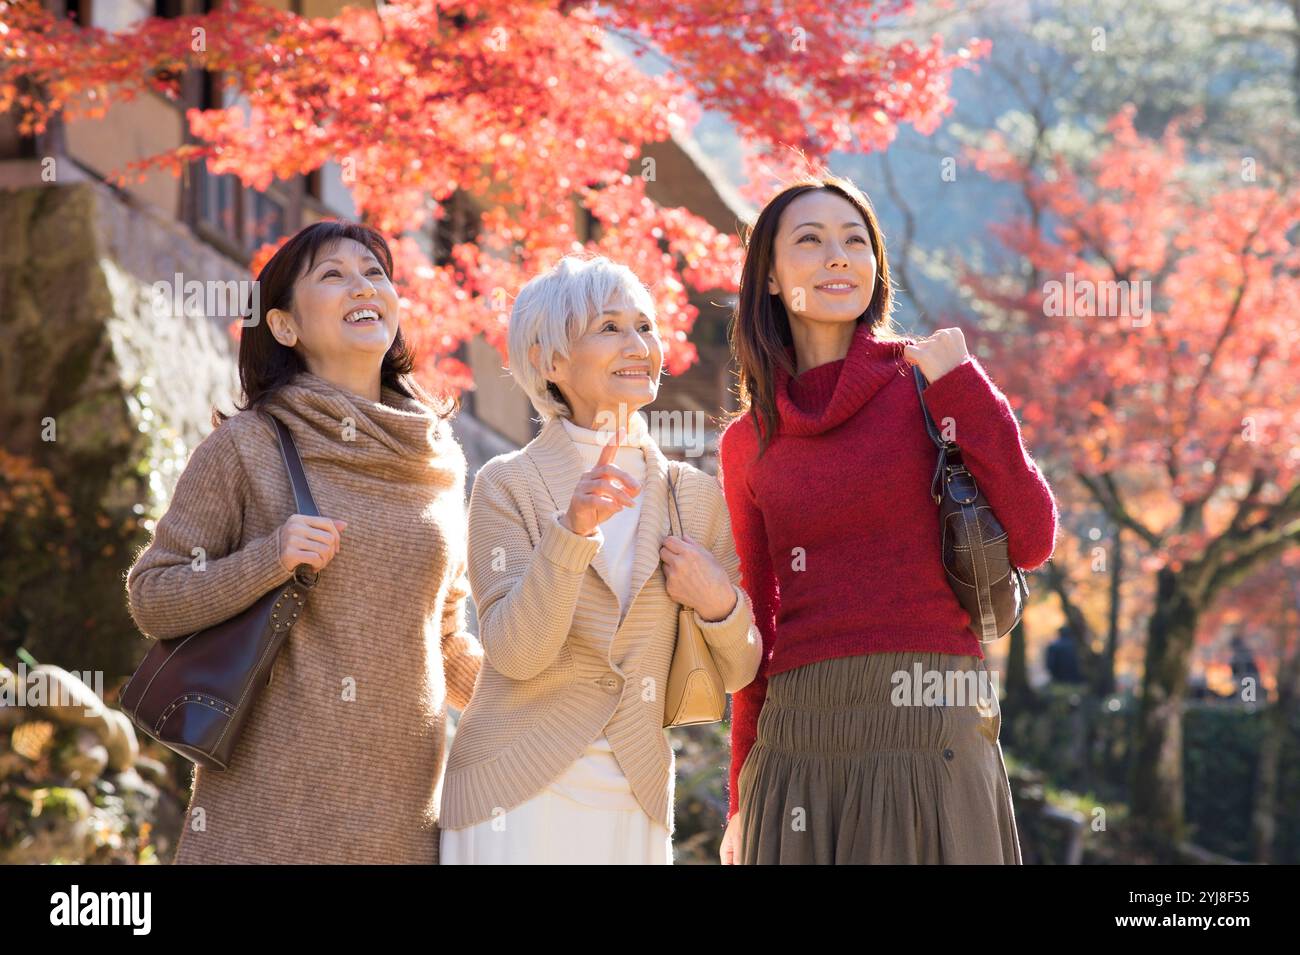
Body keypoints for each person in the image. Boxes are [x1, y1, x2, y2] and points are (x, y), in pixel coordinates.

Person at [717, 175, 1059, 864]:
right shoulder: (747, 441)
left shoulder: (930, 384)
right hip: (800, 740)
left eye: (854, 241)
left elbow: (1033, 537)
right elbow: (758, 625)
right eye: (809, 241)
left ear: (876, 268)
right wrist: (739, 796)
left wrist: (968, 387)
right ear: (773, 280)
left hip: (934, 723)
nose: (837, 256)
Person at [126, 221, 482, 863]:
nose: (362, 286)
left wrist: (538, 702)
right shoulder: (249, 446)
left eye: (374, 274)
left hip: (401, 814)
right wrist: (269, 559)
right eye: (333, 276)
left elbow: (444, 635)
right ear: (285, 326)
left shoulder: (439, 460)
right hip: (265, 811)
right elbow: (154, 595)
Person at [439, 254, 762, 864]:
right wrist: (571, 531)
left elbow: (742, 670)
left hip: (634, 793)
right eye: (610, 327)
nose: (638, 343)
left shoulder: (692, 496)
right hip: (512, 791)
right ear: (550, 360)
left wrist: (718, 601)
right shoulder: (508, 484)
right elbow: (513, 652)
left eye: (645, 326)